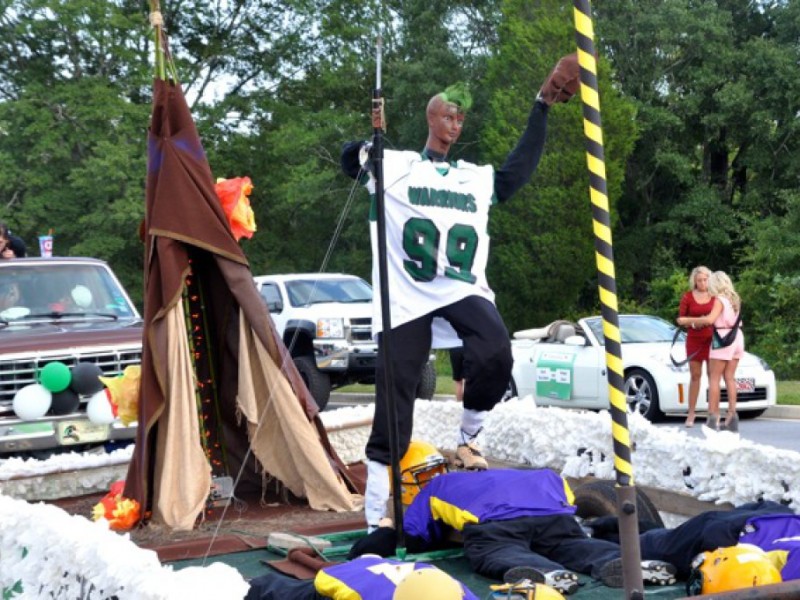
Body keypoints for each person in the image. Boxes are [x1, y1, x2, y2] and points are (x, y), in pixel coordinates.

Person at [340, 53, 581, 532]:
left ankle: (469, 434)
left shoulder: (473, 177)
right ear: (430, 119)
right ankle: (374, 519)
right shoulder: (400, 166)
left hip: (459, 286)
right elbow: (350, 160)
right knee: (396, 399)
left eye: (459, 117)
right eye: (446, 115)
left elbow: (517, 170)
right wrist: (369, 145)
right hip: (406, 291)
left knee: (495, 348)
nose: (453, 124)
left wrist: (542, 108)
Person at [349, 455, 677, 594]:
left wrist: (387, 526)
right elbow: (571, 503)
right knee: (573, 543)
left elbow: (416, 536)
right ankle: (621, 561)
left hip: (495, 522)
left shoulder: (437, 489)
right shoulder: (521, 472)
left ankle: (544, 574)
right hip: (552, 507)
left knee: (495, 550)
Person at [244, 554, 480, 600]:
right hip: (354, 577)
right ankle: (241, 586)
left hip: (388, 569)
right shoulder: (361, 594)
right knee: (284, 592)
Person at [678, 271, 743, 432]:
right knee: (729, 377)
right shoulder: (734, 299)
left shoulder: (720, 300)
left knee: (714, 378)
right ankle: (732, 417)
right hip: (737, 337)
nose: (708, 285)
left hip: (722, 338)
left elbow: (709, 320)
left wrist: (688, 320)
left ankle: (713, 418)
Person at [676, 266, 714, 427]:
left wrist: (695, 321)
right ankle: (691, 413)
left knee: (713, 376)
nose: (702, 283)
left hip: (713, 340)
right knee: (695, 375)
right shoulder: (688, 297)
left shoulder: (715, 296)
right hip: (694, 339)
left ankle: (712, 413)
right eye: (699, 280)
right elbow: (680, 320)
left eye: (705, 279)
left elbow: (716, 319)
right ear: (695, 281)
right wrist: (696, 322)